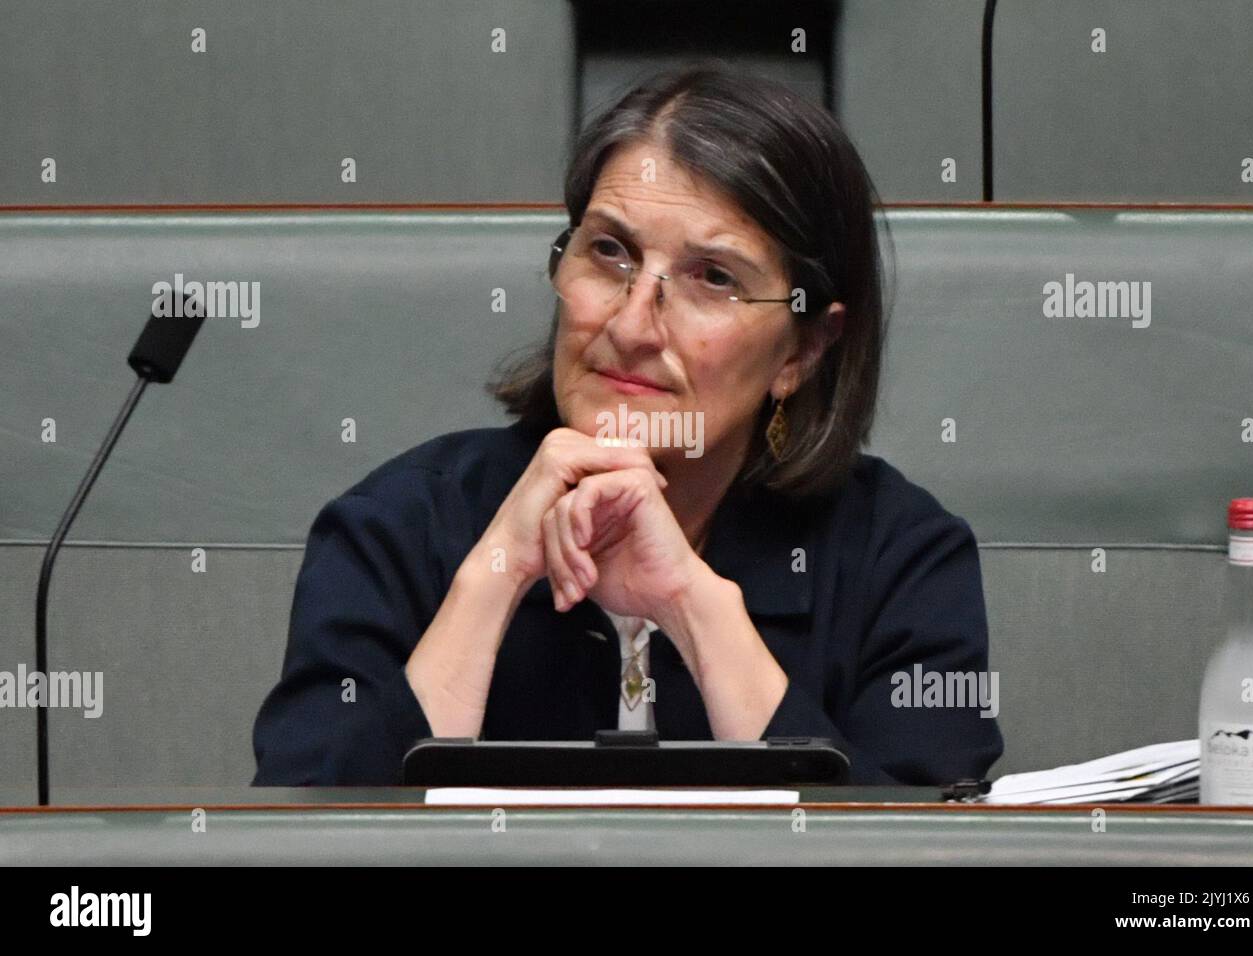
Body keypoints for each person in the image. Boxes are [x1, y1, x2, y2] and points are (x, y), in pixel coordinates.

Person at [252, 64, 1003, 786]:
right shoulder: (394, 527)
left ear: (803, 349)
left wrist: (692, 607)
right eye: (609, 252)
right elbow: (304, 840)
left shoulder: (903, 559)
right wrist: (493, 579)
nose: (633, 324)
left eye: (713, 277)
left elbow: (916, 845)